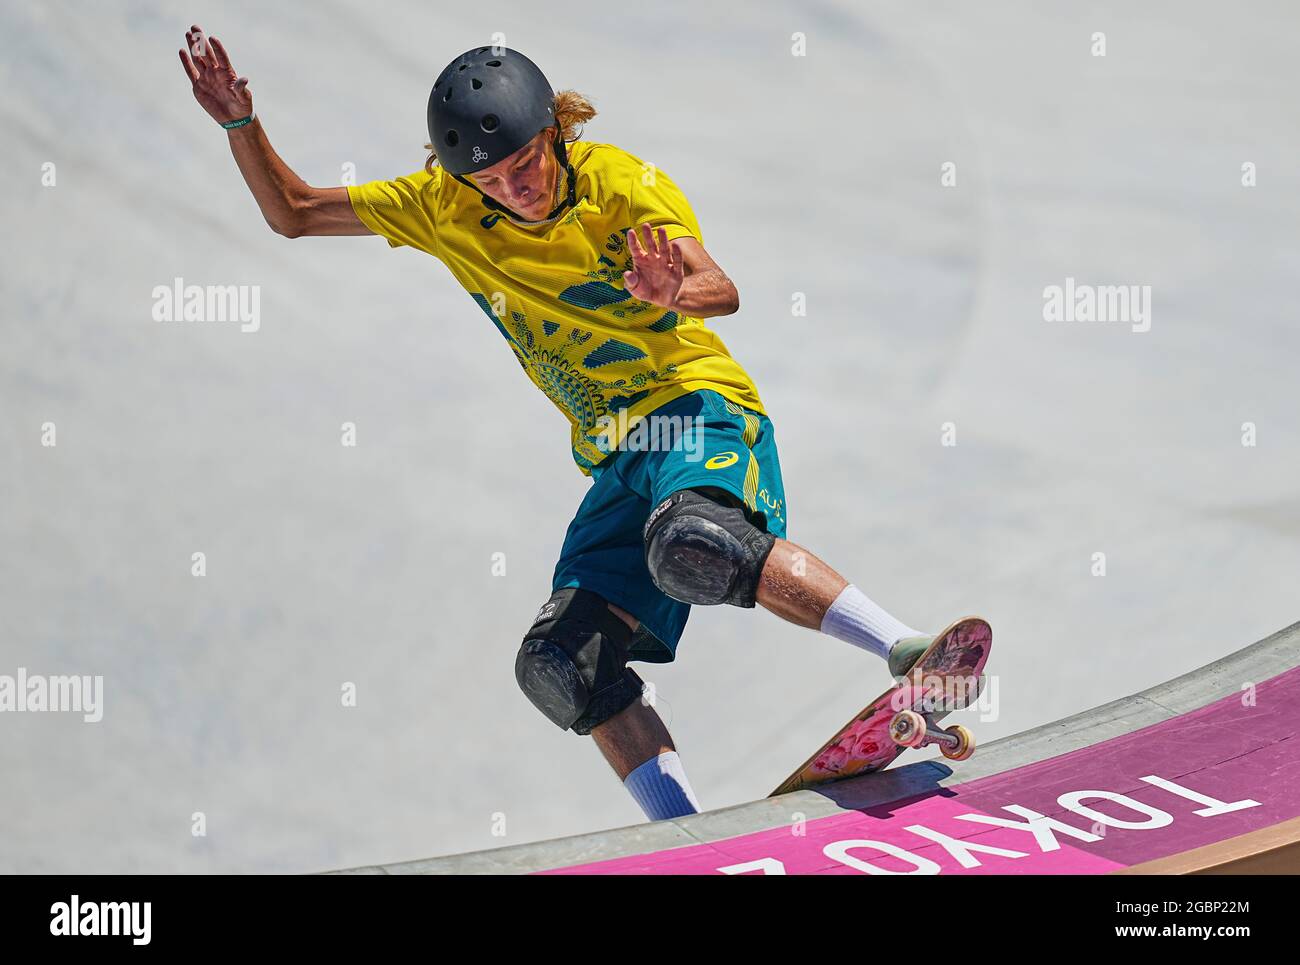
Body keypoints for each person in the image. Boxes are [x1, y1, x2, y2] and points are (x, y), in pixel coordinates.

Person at [179, 28, 967, 821]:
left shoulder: (621, 185)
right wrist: (240, 126)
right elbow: (295, 212)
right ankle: (682, 835)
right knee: (563, 662)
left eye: (525, 164)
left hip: (695, 405)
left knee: (696, 542)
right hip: (616, 457)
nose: (514, 189)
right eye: (490, 180)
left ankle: (908, 648)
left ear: (555, 130)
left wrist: (670, 295)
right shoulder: (441, 206)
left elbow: (719, 287)